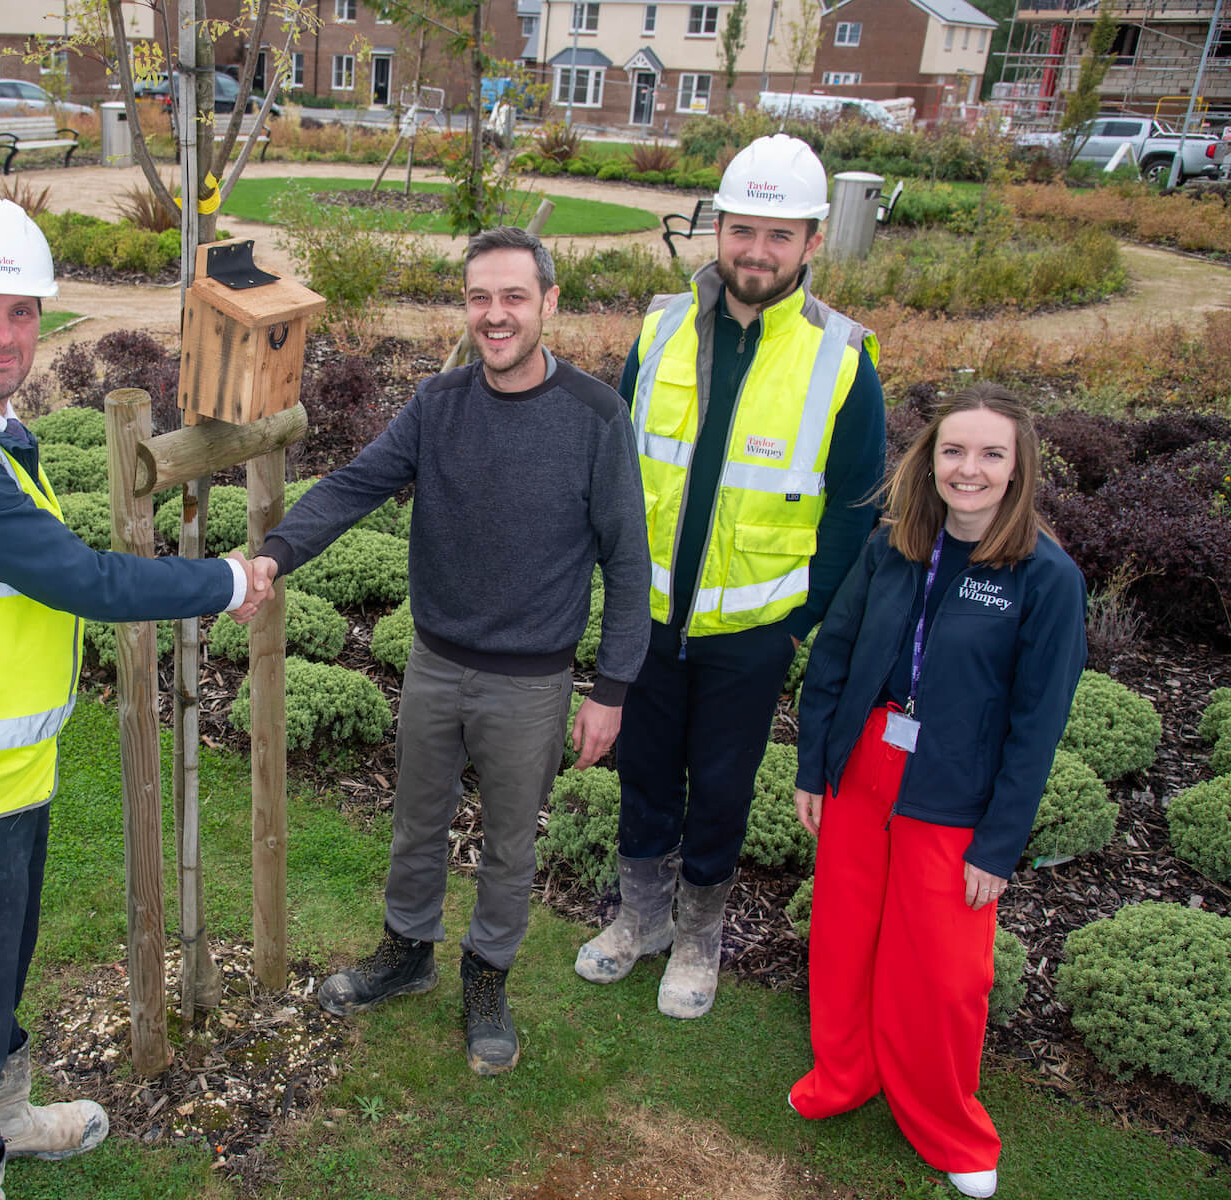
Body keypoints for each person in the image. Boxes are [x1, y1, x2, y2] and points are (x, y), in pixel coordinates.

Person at [0, 194, 265, 1199]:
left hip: (0, 766)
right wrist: (223, 579)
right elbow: (83, 579)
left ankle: (3, 1116)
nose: (4, 336)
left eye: (20, 313)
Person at [240, 226, 650, 1076]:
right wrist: (274, 555)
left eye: (512, 297)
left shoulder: (597, 418)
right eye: (478, 298)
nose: (494, 316)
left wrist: (610, 690)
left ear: (549, 304)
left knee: (510, 842)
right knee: (416, 824)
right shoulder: (439, 402)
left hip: (531, 681)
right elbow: (355, 483)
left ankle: (487, 976)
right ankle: (408, 952)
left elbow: (628, 561)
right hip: (434, 661)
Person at [574, 133, 886, 1020]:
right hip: (651, 618)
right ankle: (641, 921)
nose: (756, 252)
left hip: (752, 632)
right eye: (743, 230)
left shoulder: (842, 359)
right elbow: (618, 468)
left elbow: (858, 507)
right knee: (642, 772)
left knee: (719, 788)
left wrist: (798, 622)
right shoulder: (661, 328)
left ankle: (701, 936)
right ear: (719, 228)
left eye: (778, 236)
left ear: (812, 244)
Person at [787, 384, 1086, 1200]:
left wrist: (998, 844)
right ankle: (845, 1074)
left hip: (955, 796)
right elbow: (836, 653)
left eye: (992, 454)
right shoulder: (895, 544)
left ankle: (947, 1124)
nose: (970, 469)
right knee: (847, 935)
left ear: (1019, 467)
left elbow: (1036, 728)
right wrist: (816, 765)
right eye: (954, 450)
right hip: (866, 765)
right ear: (931, 460)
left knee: (946, 974)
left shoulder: (1045, 579)